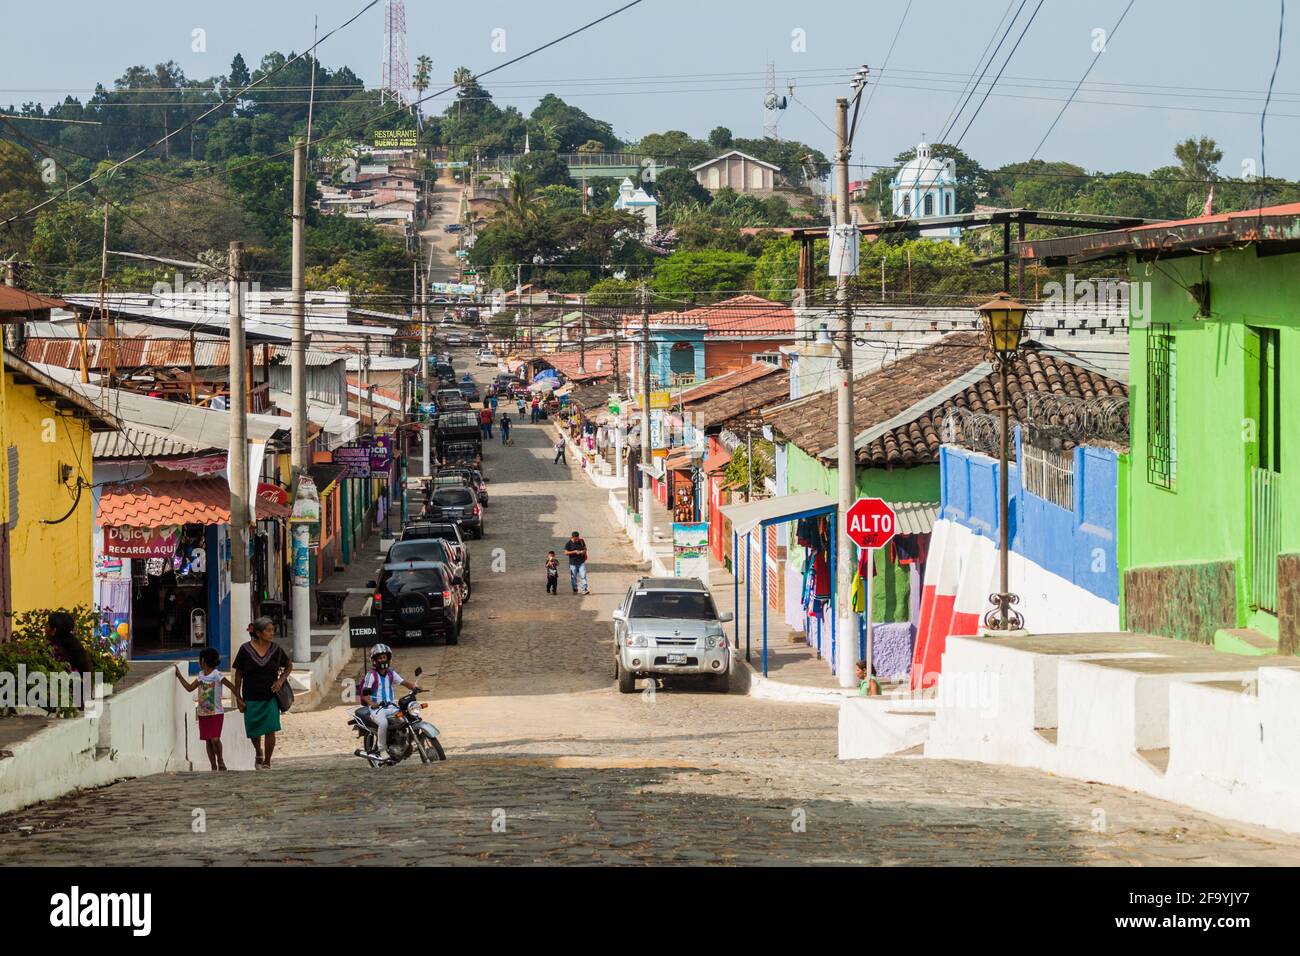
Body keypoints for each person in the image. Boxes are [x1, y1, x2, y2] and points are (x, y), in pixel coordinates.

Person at [231, 617, 291, 769]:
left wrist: (281, 680)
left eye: (272, 630)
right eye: (268, 630)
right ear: (258, 633)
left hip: (270, 696)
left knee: (271, 728)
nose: (272, 633)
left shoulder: (276, 650)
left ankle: (267, 761)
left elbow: (289, 665)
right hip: (251, 697)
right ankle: (258, 751)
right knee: (254, 731)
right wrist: (237, 697)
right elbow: (238, 674)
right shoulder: (245, 650)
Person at [358, 644, 422, 762]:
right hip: (377, 709)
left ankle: (405, 744)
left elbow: (403, 682)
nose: (383, 660)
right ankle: (382, 749)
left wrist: (415, 687)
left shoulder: (391, 673)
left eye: (384, 657)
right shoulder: (371, 675)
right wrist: (372, 704)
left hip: (391, 707)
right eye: (380, 658)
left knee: (409, 718)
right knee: (383, 723)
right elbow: (364, 694)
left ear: (388, 658)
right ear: (374, 660)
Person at [174, 648, 235, 771]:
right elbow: (190, 688)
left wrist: (239, 698)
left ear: (203, 661)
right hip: (203, 714)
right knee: (208, 740)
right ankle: (213, 765)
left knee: (215, 739)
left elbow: (230, 686)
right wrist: (179, 676)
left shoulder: (217, 674)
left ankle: (220, 760)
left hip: (216, 713)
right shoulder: (201, 675)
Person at [45, 611, 91, 675]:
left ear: (54, 630)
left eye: (47, 625)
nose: (45, 628)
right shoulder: (76, 647)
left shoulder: (54, 651)